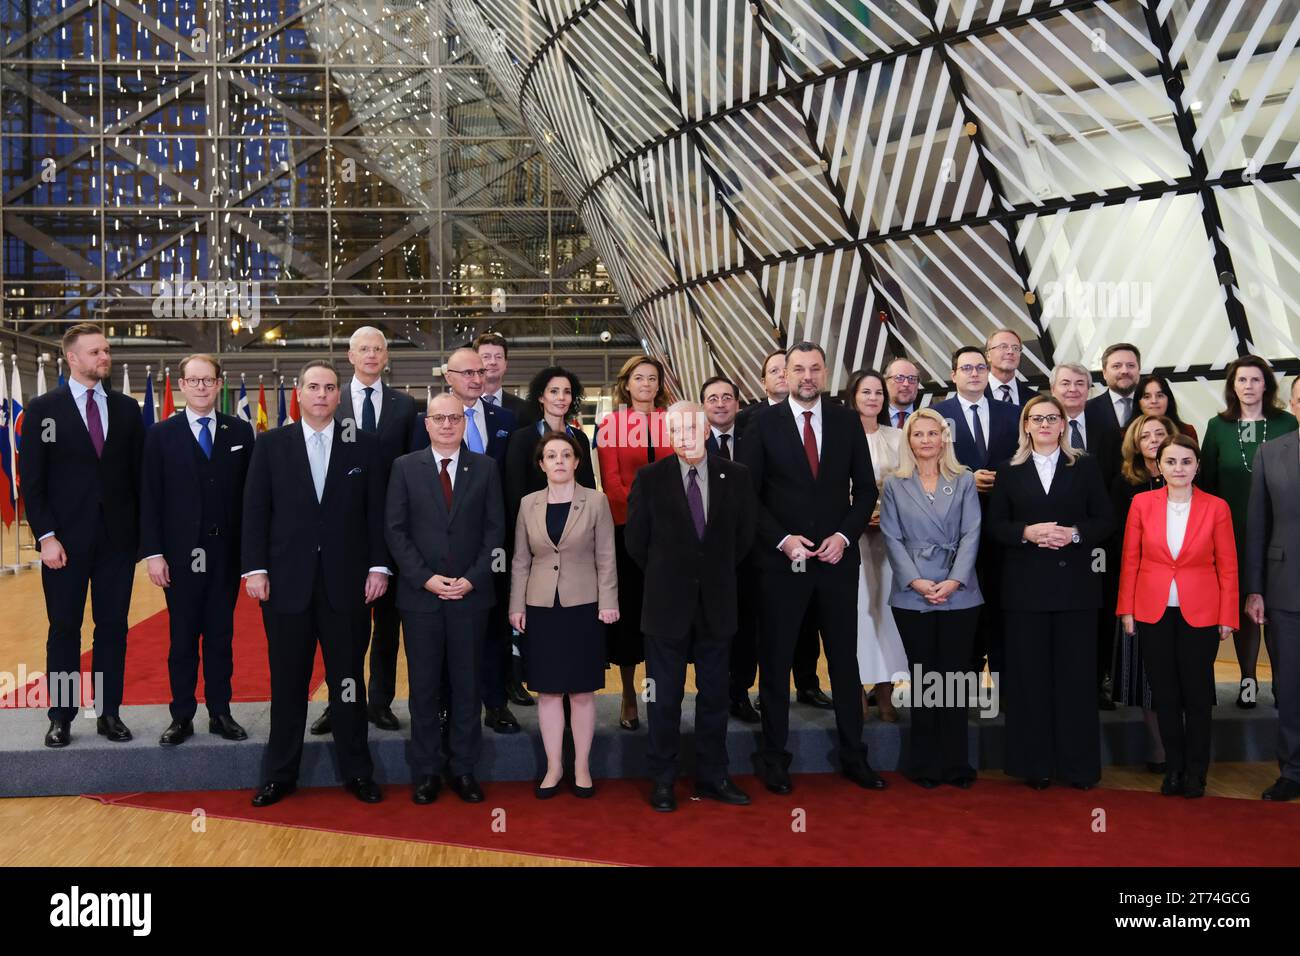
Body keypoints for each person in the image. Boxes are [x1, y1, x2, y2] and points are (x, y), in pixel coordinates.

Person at [243, 361, 390, 807]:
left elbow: (376, 514)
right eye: (313, 387)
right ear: (299, 394)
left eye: (329, 387)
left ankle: (357, 772)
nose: (322, 394)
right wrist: (255, 569)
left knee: (348, 683)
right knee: (288, 683)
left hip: (347, 586)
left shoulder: (364, 446)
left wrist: (379, 567)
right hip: (287, 585)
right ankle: (279, 774)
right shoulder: (270, 445)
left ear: (338, 396)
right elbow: (254, 512)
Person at [738, 342, 882, 795]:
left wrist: (843, 537)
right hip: (782, 564)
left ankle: (854, 756)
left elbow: (867, 491)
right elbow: (748, 494)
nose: (805, 376)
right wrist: (783, 540)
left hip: (838, 561)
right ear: (784, 373)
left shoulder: (844, 420)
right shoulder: (761, 423)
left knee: (844, 661)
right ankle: (775, 758)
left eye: (813, 368)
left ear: (824, 373)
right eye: (796, 369)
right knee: (776, 662)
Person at [625, 402, 757, 811]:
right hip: (666, 605)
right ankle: (663, 780)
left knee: (714, 696)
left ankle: (713, 775)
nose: (684, 434)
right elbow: (636, 542)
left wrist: (708, 572)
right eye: (675, 428)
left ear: (705, 430)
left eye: (691, 427)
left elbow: (744, 537)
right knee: (664, 699)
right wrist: (674, 573)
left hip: (718, 603)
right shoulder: (649, 479)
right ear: (669, 434)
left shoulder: (736, 476)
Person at [23, 323, 144, 747]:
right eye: (95, 352)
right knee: (64, 629)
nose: (104, 358)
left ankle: (109, 714)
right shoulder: (42, 409)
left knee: (113, 628)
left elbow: (138, 478)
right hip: (65, 544)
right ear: (72, 359)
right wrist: (47, 537)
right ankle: (62, 715)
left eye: (106, 350)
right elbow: (32, 481)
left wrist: (141, 542)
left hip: (117, 542)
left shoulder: (128, 409)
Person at [987, 395, 1114, 790]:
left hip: (1075, 587)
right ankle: (1034, 765)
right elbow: (995, 526)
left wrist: (1074, 534)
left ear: (1063, 425)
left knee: (1076, 680)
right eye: (1036, 418)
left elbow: (1106, 520)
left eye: (1052, 418)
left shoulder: (1086, 465)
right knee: (1030, 680)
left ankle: (1078, 768)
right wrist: (1025, 533)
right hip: (1025, 589)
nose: (1044, 424)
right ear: (1026, 425)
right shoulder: (1009, 470)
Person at [385, 392, 506, 805]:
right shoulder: (404, 468)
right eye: (440, 418)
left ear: (464, 423)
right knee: (424, 688)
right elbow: (395, 531)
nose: (448, 424)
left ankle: (464, 769)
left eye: (455, 418)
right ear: (427, 423)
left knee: (467, 685)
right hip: (421, 598)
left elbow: (495, 532)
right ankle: (427, 771)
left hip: (471, 597)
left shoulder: (486, 468)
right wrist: (427, 578)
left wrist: (471, 580)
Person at [140, 354, 254, 746]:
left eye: (208, 380)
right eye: (194, 380)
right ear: (183, 385)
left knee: (221, 636)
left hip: (226, 555)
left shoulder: (241, 431)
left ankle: (220, 712)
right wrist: (154, 554)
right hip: (179, 557)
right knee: (183, 638)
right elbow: (149, 498)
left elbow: (251, 498)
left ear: (219, 384)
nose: (202, 386)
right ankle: (182, 715)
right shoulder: (159, 435)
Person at [1117, 434, 1237, 799]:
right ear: (1159, 465)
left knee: (1198, 696)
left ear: (1197, 466)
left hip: (1201, 612)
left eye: (1186, 461)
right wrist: (1126, 609)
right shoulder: (1141, 503)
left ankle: (1196, 772)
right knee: (1165, 696)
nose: (1179, 468)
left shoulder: (1217, 507)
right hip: (1152, 610)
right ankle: (1173, 768)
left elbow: (1229, 566)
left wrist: (1228, 613)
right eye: (1171, 461)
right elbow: (1130, 559)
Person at [311, 327, 417, 738]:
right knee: (344, 628)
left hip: (391, 530)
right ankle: (340, 703)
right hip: (342, 534)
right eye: (363, 349)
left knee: (388, 626)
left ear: (386, 356)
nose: (371, 355)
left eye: (378, 349)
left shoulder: (405, 406)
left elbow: (412, 467)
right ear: (350, 355)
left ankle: (379, 702)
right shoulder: (330, 402)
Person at [413, 347, 519, 733]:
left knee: (491, 627)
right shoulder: (427, 421)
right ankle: (445, 707)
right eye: (467, 372)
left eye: (481, 370)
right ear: (449, 376)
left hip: (492, 545)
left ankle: (495, 702)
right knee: (444, 641)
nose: (477, 377)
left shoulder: (506, 418)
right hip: (438, 555)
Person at [510, 433, 618, 799]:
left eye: (566, 455)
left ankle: (581, 766)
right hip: (540, 607)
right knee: (549, 691)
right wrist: (516, 605)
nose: (558, 460)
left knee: (582, 691)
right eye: (551, 455)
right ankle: (554, 766)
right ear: (541, 464)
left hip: (585, 605)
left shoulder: (596, 502)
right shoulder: (528, 504)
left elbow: (606, 557)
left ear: (577, 462)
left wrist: (609, 601)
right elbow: (521, 560)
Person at [879, 409, 983, 787]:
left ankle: (956, 763)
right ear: (909, 440)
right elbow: (890, 537)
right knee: (924, 678)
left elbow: (973, 532)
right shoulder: (894, 483)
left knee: (955, 678)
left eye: (932, 433)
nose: (925, 440)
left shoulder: (965, 479)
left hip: (961, 592)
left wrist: (955, 580)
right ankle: (924, 763)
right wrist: (917, 581)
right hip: (913, 594)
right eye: (917, 434)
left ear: (944, 438)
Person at [1199, 354, 1299, 709]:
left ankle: (1282, 681)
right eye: (1241, 380)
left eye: (1255, 380)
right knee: (1244, 607)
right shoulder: (1218, 426)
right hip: (1232, 533)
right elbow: (1206, 483)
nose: (1248, 386)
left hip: (1283, 533)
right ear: (1232, 386)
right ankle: (1247, 679)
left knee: (1277, 606)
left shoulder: (1287, 422)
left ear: (1267, 386)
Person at [735, 351, 831, 711]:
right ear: (768, 380)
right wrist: (777, 536)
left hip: (817, 542)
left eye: (784, 368)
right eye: (775, 370)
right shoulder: (751, 421)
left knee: (810, 619)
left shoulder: (828, 418)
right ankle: (765, 688)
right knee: (769, 622)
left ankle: (808, 682)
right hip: (771, 542)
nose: (783, 375)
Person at [931, 346, 1019, 692]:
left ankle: (1005, 682)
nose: (974, 373)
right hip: (954, 527)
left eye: (980, 367)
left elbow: (1023, 460)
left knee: (1001, 605)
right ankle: (962, 685)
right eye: (966, 368)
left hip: (1002, 525)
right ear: (953, 375)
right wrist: (967, 476)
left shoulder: (1012, 413)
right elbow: (927, 466)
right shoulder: (937, 416)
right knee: (961, 609)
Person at [595, 355, 670, 731]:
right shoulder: (611, 424)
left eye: (652, 378)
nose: (646, 384)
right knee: (628, 619)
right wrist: (646, 519)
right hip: (628, 531)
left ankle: (659, 691)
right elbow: (612, 485)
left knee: (662, 618)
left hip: (672, 536)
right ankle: (627, 694)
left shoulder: (672, 421)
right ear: (627, 384)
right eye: (639, 378)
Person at [1109, 413, 1178, 771]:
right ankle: (1159, 749)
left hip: (1184, 590)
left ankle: (1181, 747)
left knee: (1181, 673)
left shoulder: (1188, 479)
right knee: (1148, 675)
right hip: (1142, 587)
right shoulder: (1125, 484)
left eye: (1160, 433)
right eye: (1145, 435)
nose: (1152, 439)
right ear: (1136, 444)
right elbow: (1120, 540)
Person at [1245, 401, 1300, 800]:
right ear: (1294, 405)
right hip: (1284, 588)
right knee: (1291, 686)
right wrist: (1255, 588)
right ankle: (1294, 771)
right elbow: (1257, 524)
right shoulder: (1270, 451)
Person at [845, 369, 906, 721]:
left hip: (890, 542)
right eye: (865, 391)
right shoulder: (837, 436)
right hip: (851, 541)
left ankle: (885, 696)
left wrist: (888, 517)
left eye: (879, 392)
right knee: (854, 620)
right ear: (853, 395)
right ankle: (854, 695)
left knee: (886, 618)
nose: (873, 398)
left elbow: (909, 487)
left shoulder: (898, 437)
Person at [701, 375, 760, 724]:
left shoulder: (755, 440)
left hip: (749, 552)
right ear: (703, 405)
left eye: (727, 397)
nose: (720, 403)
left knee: (746, 627)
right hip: (706, 555)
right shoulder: (692, 442)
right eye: (712, 398)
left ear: (738, 404)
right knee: (711, 628)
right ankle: (711, 694)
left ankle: (740, 693)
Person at [503, 366, 595, 533]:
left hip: (577, 528)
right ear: (540, 397)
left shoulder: (579, 438)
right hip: (536, 529)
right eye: (554, 391)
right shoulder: (522, 439)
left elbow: (589, 486)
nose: (561, 397)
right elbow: (515, 493)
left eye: (567, 392)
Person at [1083, 342, 1142, 487]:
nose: (1124, 371)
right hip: (1105, 495)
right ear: (1104, 373)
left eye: (1131, 365)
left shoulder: (1152, 406)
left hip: (1148, 495)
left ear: (1139, 370)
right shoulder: (1086, 411)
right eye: (1116, 366)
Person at [476, 331, 532, 425]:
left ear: (506, 364)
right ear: (475, 362)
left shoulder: (524, 409)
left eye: (498, 357)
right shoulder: (461, 407)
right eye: (486, 357)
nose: (493, 362)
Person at [984, 328, 1038, 406]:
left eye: (1015, 348)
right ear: (988, 356)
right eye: (1003, 346)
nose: (1010, 352)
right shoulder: (972, 394)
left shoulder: (1035, 399)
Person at [1136, 373, 1197, 441]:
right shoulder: (1126, 434)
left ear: (1169, 400)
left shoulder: (1187, 432)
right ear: (1138, 403)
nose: (1154, 401)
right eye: (1147, 397)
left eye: (1160, 395)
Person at [878, 357, 921, 428]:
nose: (906, 384)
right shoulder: (872, 419)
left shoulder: (929, 419)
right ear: (885, 383)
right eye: (899, 378)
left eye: (912, 379)